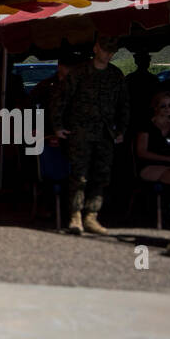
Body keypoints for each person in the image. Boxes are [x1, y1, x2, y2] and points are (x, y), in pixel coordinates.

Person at [54, 35, 128, 235]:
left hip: (105, 133)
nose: (108, 54)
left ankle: (91, 216)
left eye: (112, 51)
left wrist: (121, 130)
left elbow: (123, 105)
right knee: (79, 176)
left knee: (101, 176)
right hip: (81, 132)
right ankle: (75, 216)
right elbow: (62, 99)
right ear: (96, 48)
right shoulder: (79, 73)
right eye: (105, 49)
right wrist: (57, 126)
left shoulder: (116, 75)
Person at [133, 90, 170, 220]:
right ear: (155, 107)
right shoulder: (146, 125)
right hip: (150, 166)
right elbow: (141, 152)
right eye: (163, 106)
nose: (167, 109)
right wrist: (169, 159)